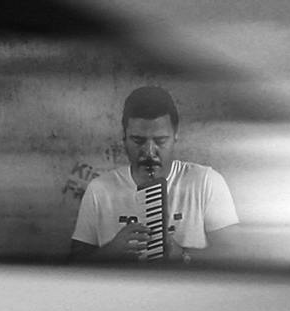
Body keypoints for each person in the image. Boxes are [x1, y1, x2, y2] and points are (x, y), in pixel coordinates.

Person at [69, 86, 237, 263]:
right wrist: (111, 252)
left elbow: (235, 257)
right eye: (138, 140)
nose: (149, 152)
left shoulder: (206, 182)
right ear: (124, 136)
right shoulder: (99, 189)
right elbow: (73, 265)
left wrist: (182, 257)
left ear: (175, 135)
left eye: (160, 141)